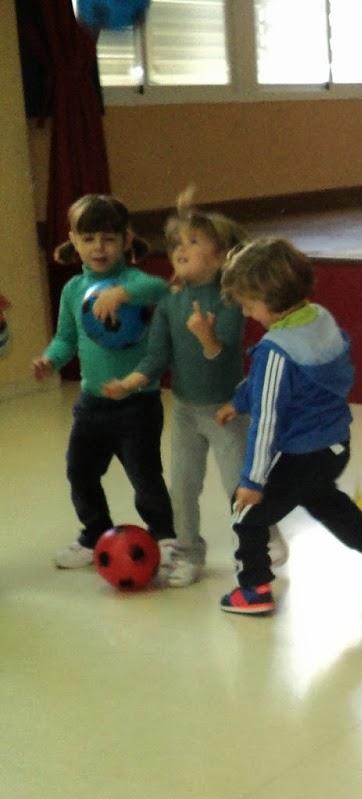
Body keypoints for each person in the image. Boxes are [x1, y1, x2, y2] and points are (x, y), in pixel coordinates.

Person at [105, 190, 285, 587]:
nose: (180, 249)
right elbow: (156, 356)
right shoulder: (170, 304)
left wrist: (206, 337)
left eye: (192, 242)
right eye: (176, 244)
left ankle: (265, 536)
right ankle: (188, 552)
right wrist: (130, 382)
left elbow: (222, 352)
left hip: (226, 410)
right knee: (182, 487)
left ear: (220, 256)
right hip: (186, 411)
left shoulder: (229, 300)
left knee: (237, 485)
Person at [216, 236, 362, 615]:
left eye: (250, 305)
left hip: (302, 452)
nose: (249, 314)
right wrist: (239, 401)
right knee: (319, 496)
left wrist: (252, 482)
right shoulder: (320, 318)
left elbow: (266, 422)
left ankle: (253, 590)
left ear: (269, 299)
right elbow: (290, 385)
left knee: (247, 515)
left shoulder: (275, 350)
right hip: (336, 445)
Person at [34, 194, 177, 574]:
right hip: (92, 405)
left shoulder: (136, 281)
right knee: (79, 472)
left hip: (138, 404)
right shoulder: (72, 290)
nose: (99, 247)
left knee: (145, 476)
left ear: (127, 240)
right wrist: (51, 359)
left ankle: (165, 537)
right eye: (89, 238)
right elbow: (66, 338)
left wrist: (122, 292)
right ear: (74, 241)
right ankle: (94, 533)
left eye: (109, 238)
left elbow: (161, 290)